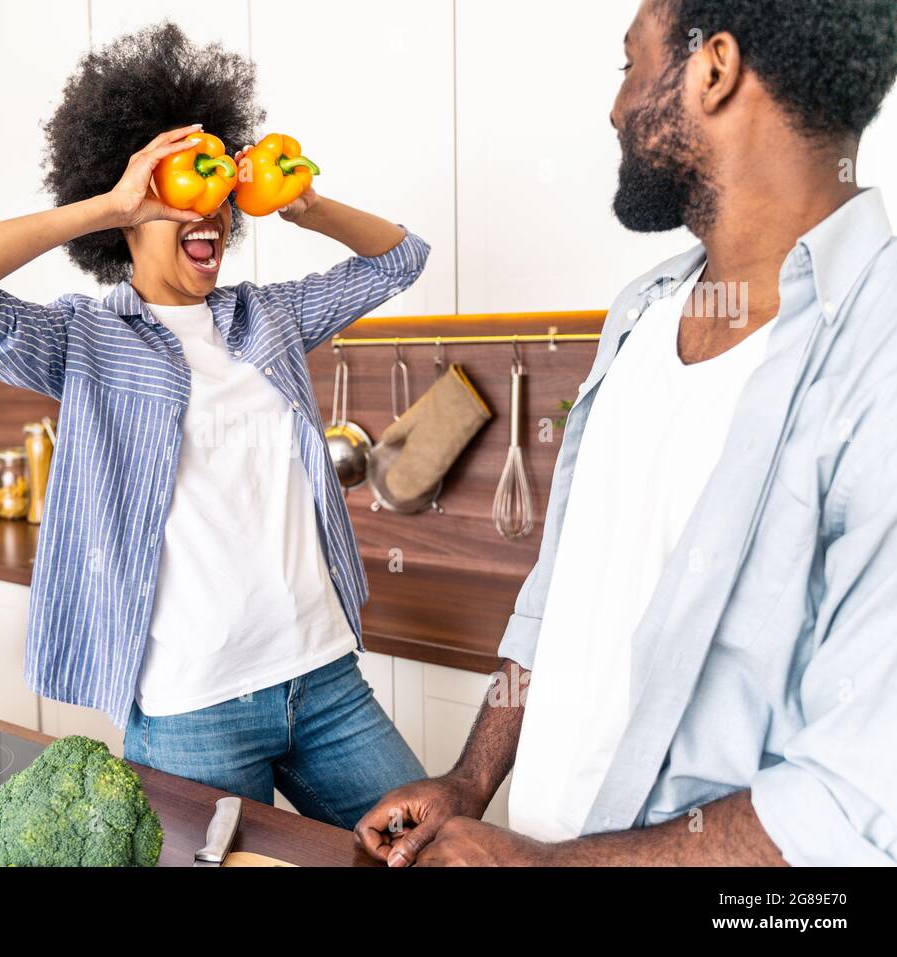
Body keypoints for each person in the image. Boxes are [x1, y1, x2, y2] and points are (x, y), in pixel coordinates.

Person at [358, 0, 897, 865]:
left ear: (711, 68)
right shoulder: (640, 317)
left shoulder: (877, 358)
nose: (616, 108)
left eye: (630, 65)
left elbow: (854, 804)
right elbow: (559, 597)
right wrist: (470, 781)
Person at [0, 24, 426, 829]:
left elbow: (400, 260)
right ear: (132, 215)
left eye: (215, 189)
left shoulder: (267, 317)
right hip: (189, 710)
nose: (206, 208)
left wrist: (305, 203)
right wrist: (103, 204)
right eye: (181, 192)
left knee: (437, 846)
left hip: (324, 682)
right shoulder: (85, 340)